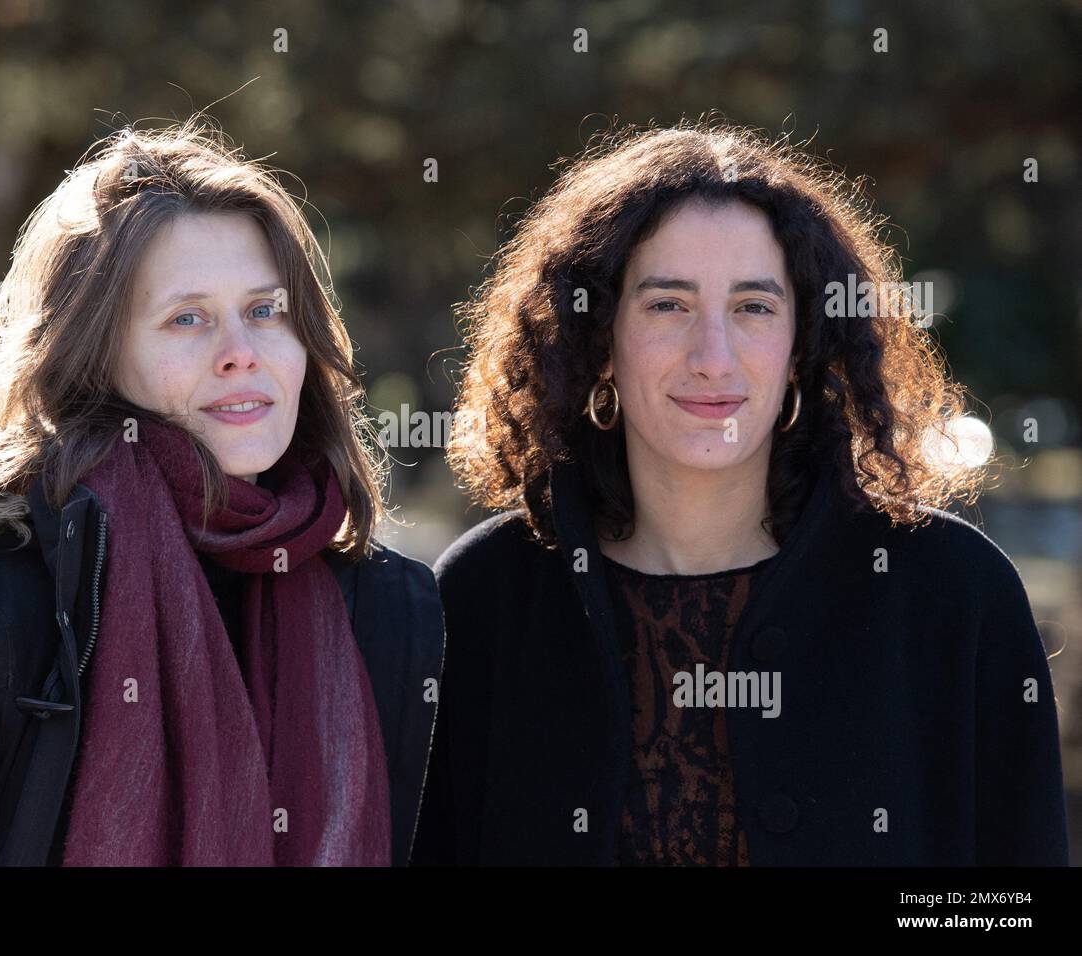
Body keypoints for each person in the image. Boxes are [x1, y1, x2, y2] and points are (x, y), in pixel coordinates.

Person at [0, 118, 443, 867]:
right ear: (94, 357)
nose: (240, 354)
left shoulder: (392, 611)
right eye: (186, 319)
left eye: (266, 311)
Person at [411, 120, 1069, 866]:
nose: (712, 357)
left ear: (801, 348)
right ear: (599, 343)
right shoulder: (482, 600)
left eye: (754, 307)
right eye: (668, 305)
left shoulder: (953, 591)